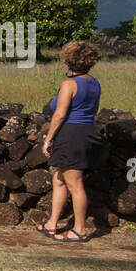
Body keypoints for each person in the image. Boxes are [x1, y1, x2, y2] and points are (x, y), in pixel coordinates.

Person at [36, 40, 103, 242]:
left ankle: (79, 230)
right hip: (86, 132)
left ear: (68, 61)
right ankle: (51, 224)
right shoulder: (94, 84)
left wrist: (48, 139)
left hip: (71, 134)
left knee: (75, 183)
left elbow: (59, 114)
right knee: (59, 179)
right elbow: (94, 111)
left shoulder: (69, 84)